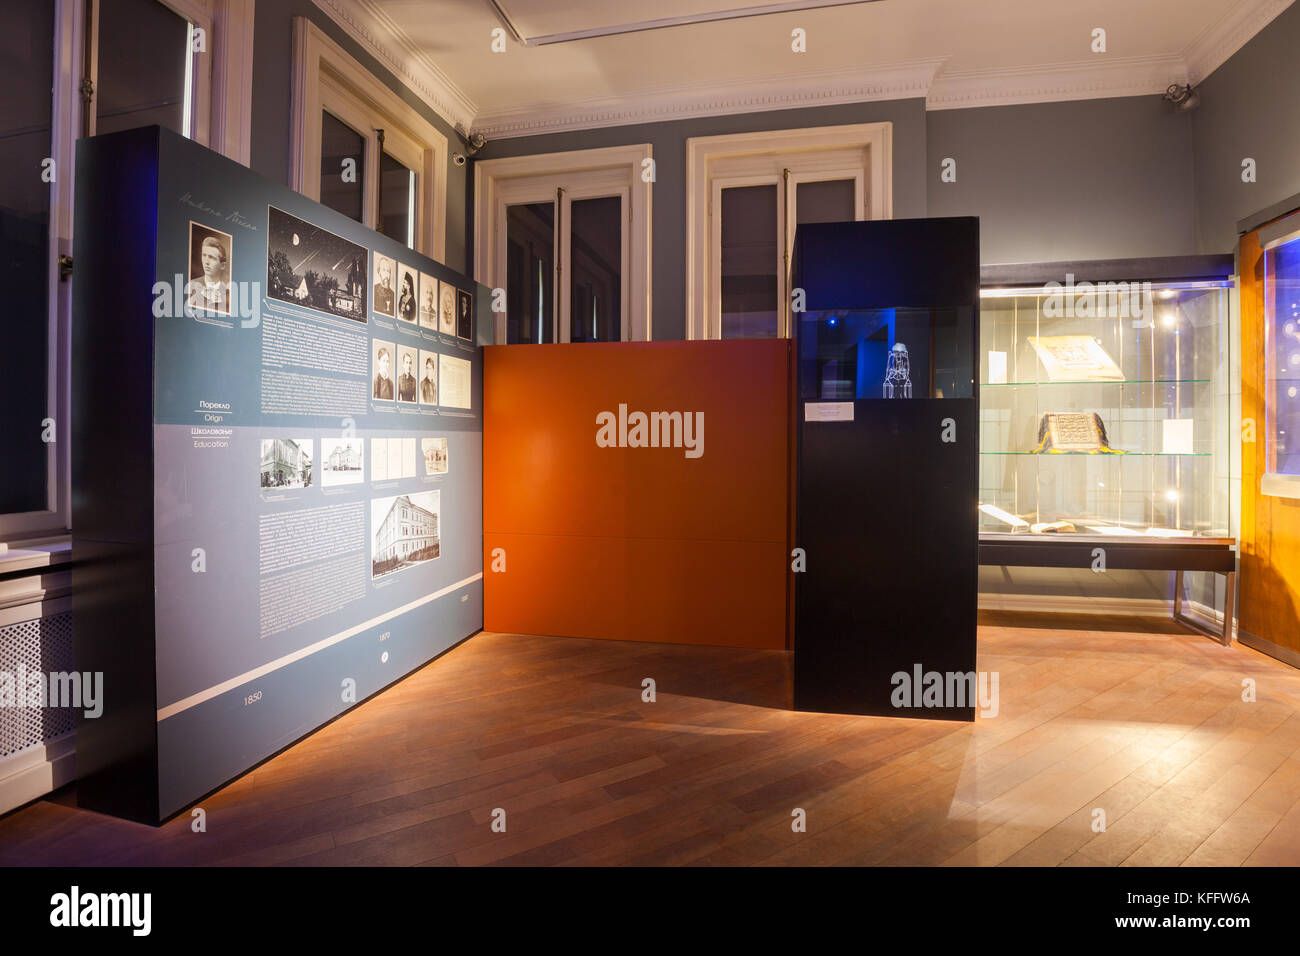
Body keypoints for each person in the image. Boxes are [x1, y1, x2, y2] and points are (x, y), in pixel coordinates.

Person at [187, 235, 230, 314]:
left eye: (211, 257)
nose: (206, 262)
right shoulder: (191, 286)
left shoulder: (228, 295)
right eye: (204, 255)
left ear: (222, 265)